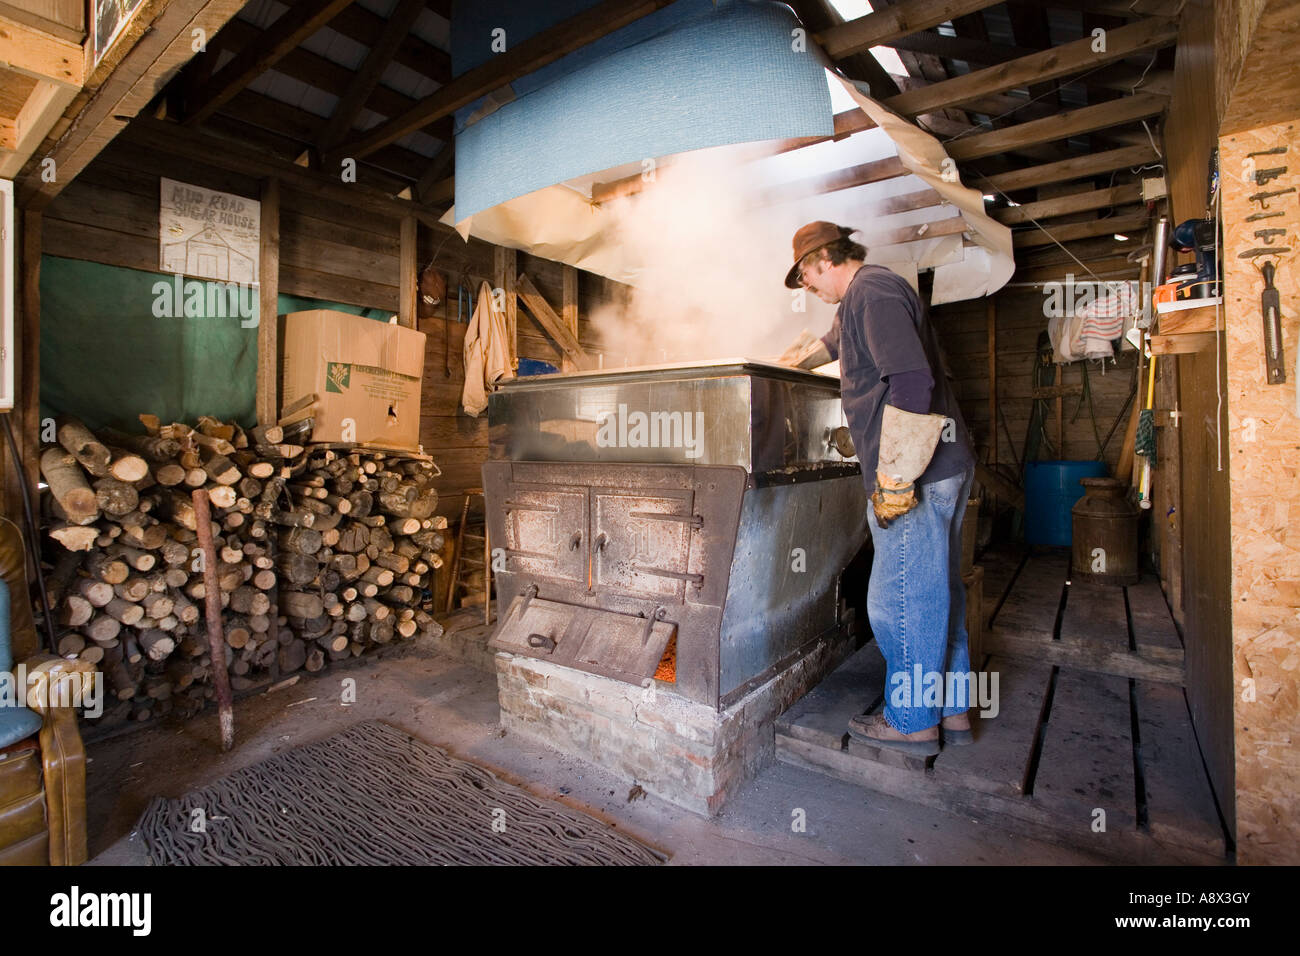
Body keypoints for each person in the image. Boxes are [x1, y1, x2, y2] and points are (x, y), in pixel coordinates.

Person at [779, 221, 977, 756]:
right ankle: (951, 708)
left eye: (805, 275)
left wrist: (895, 476)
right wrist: (790, 361)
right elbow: (832, 343)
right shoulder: (859, 301)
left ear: (823, 258)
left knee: (904, 598)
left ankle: (912, 721)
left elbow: (912, 379)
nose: (808, 289)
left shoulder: (873, 290)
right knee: (940, 591)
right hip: (943, 467)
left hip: (917, 474)